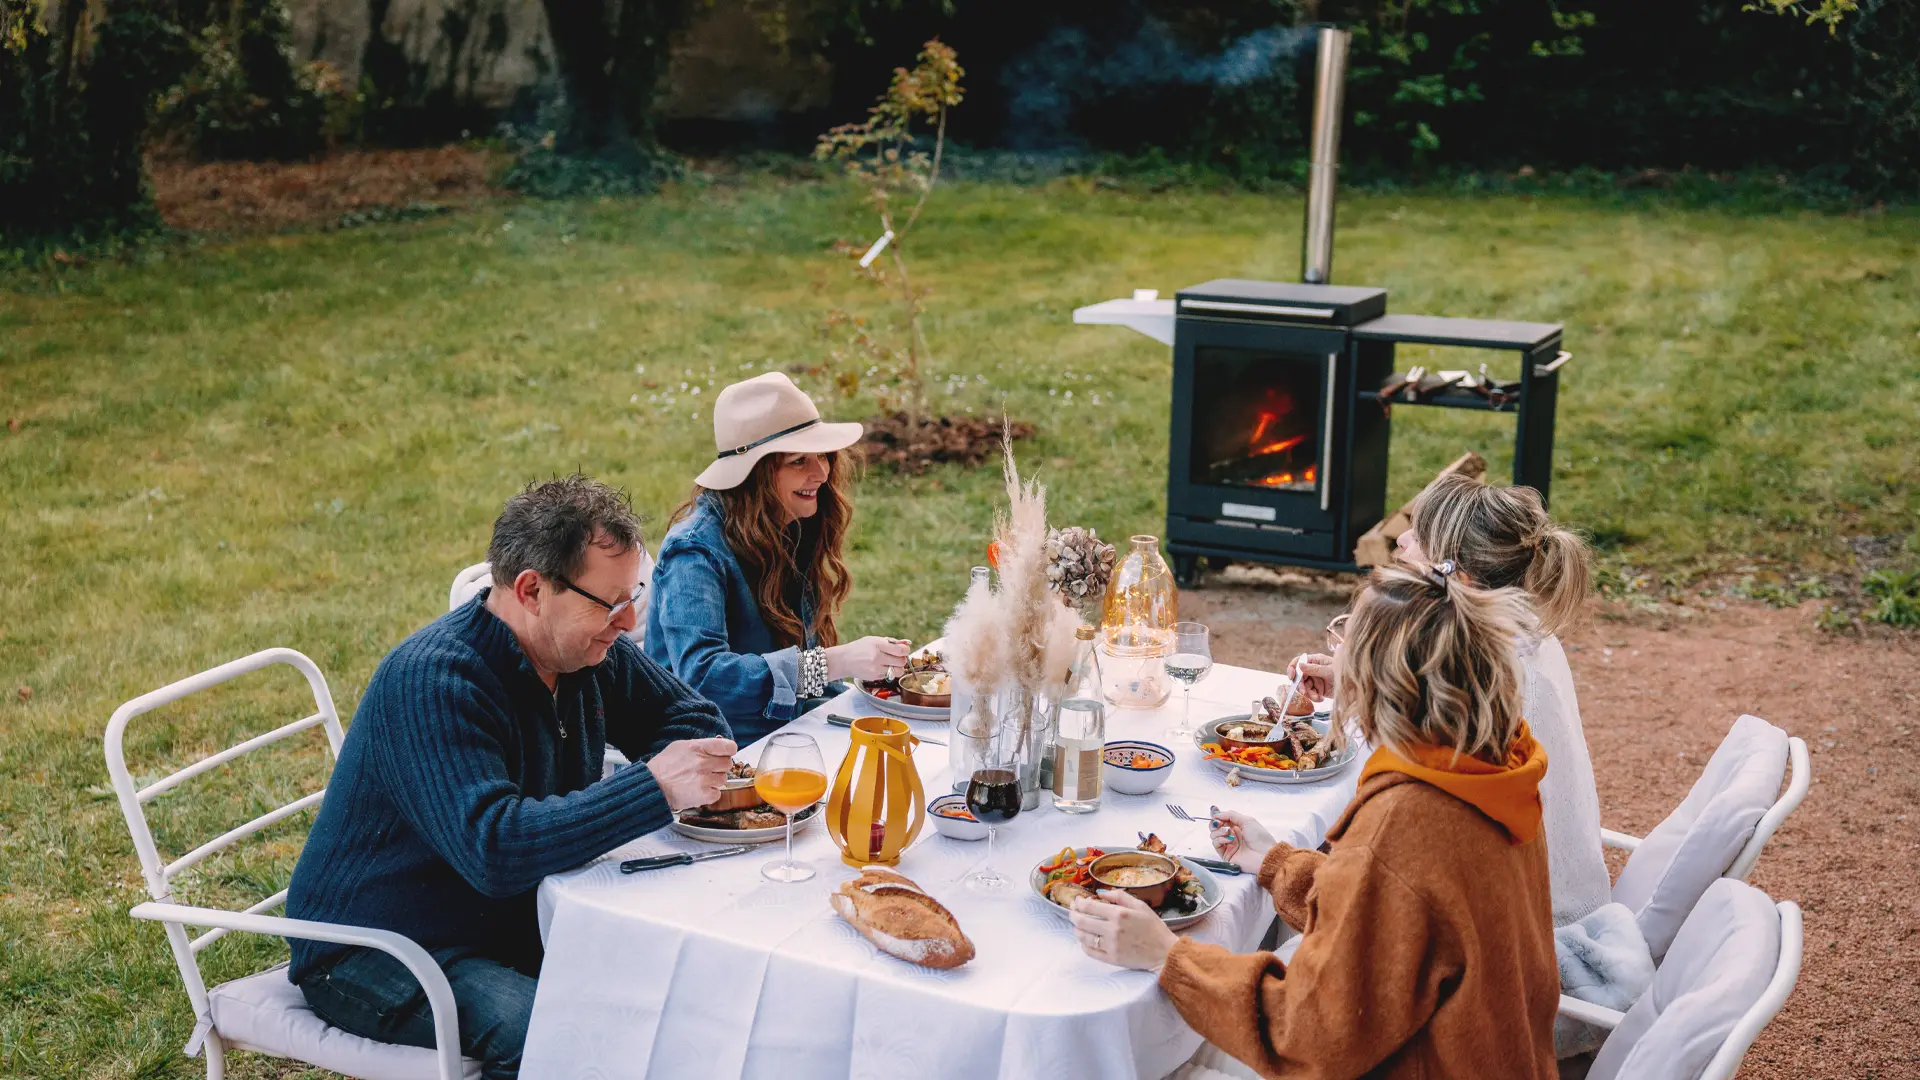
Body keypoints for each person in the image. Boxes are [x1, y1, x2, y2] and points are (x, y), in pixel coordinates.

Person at [285, 475, 736, 1079]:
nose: (629, 623)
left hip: (516, 915)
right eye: (610, 603)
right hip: (383, 947)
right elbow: (495, 847)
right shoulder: (434, 681)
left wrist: (674, 767)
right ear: (531, 590)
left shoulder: (581, 650)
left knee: (683, 984)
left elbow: (691, 717)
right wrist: (653, 787)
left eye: (635, 596)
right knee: (564, 1040)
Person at [1070, 565, 1559, 1080]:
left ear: (1375, 676)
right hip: (1488, 1055)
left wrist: (1167, 955)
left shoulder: (1408, 819)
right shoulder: (1489, 765)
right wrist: (1279, 864)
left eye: (1344, 632)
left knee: (1139, 1058)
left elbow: (1308, 1037)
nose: (1335, 646)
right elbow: (1401, 920)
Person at [1288, 474, 1605, 926]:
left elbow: (1417, 800)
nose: (1403, 539)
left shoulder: (1500, 675)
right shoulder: (1513, 635)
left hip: (1519, 926)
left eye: (1421, 536)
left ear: (1458, 574)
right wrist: (1362, 678)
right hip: (1525, 903)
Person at [646, 372, 910, 744]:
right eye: (798, 461)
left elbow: (802, 684)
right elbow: (705, 679)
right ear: (752, 474)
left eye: (821, 456)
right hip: (719, 753)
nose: (820, 472)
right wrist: (834, 662)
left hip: (790, 732)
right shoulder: (694, 552)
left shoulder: (789, 523)